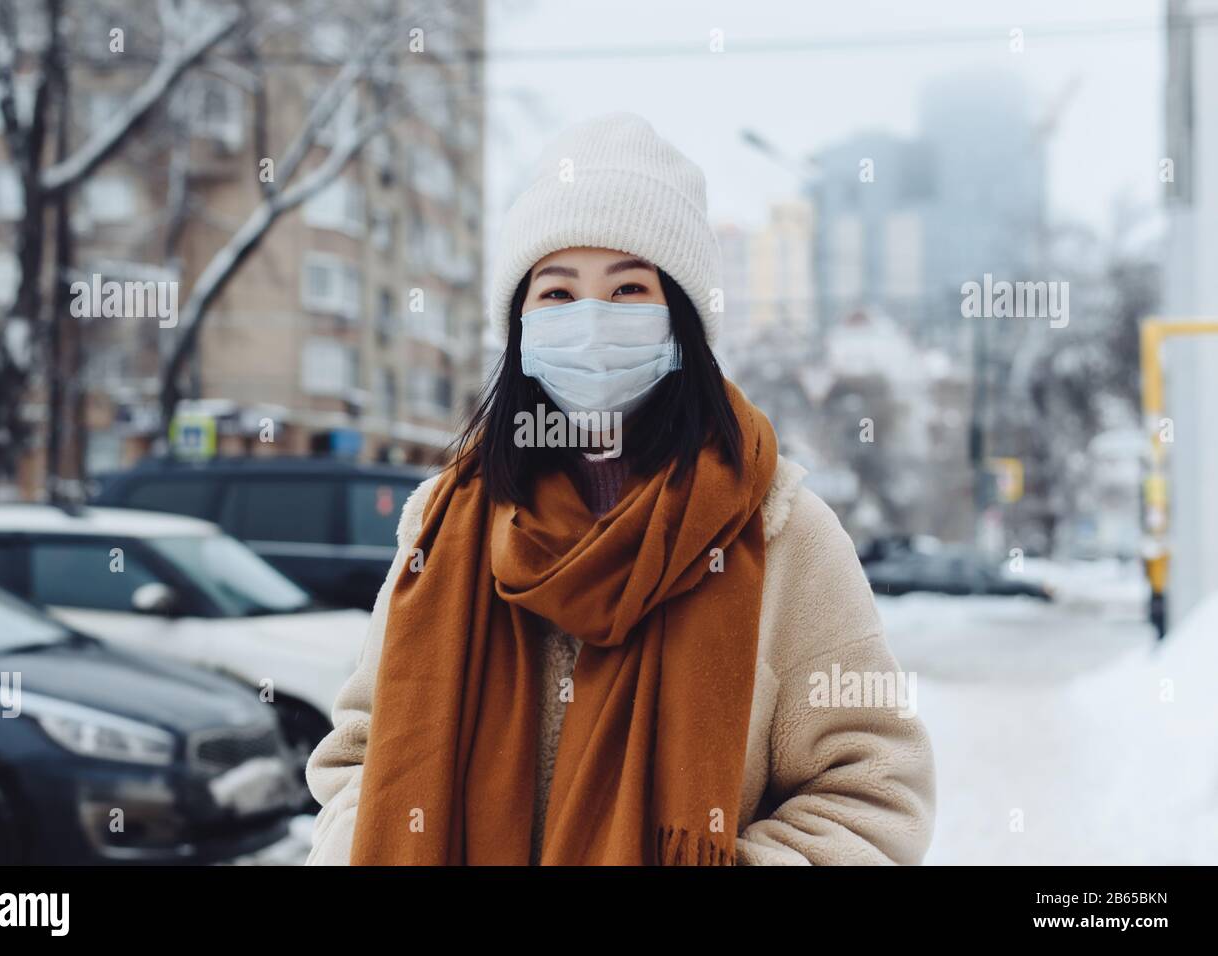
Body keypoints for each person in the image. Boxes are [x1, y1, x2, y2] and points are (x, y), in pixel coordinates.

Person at [305, 112, 935, 865]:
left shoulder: (783, 532)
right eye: (558, 293)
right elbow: (355, 757)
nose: (592, 319)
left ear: (681, 324)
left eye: (630, 288)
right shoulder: (442, 527)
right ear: (520, 326)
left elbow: (875, 791)